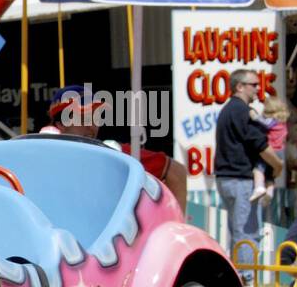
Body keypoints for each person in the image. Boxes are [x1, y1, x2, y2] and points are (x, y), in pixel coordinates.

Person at [41, 85, 189, 210]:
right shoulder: (38, 155)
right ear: (60, 123)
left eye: (96, 117)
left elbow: (176, 172)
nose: (91, 125)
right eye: (84, 117)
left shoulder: (113, 152)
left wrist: (175, 228)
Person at [214, 69, 284, 282]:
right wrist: (278, 165)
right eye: (254, 84)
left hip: (226, 178)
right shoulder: (242, 111)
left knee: (238, 232)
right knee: (248, 233)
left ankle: (238, 278)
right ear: (240, 87)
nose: (258, 88)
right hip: (240, 179)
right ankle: (246, 281)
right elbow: (259, 143)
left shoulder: (228, 110)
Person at [249, 96, 290, 203]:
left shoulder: (273, 121)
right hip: (280, 151)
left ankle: (259, 187)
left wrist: (255, 117)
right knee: (270, 175)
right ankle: (270, 192)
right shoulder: (283, 123)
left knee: (259, 169)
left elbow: (266, 123)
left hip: (271, 150)